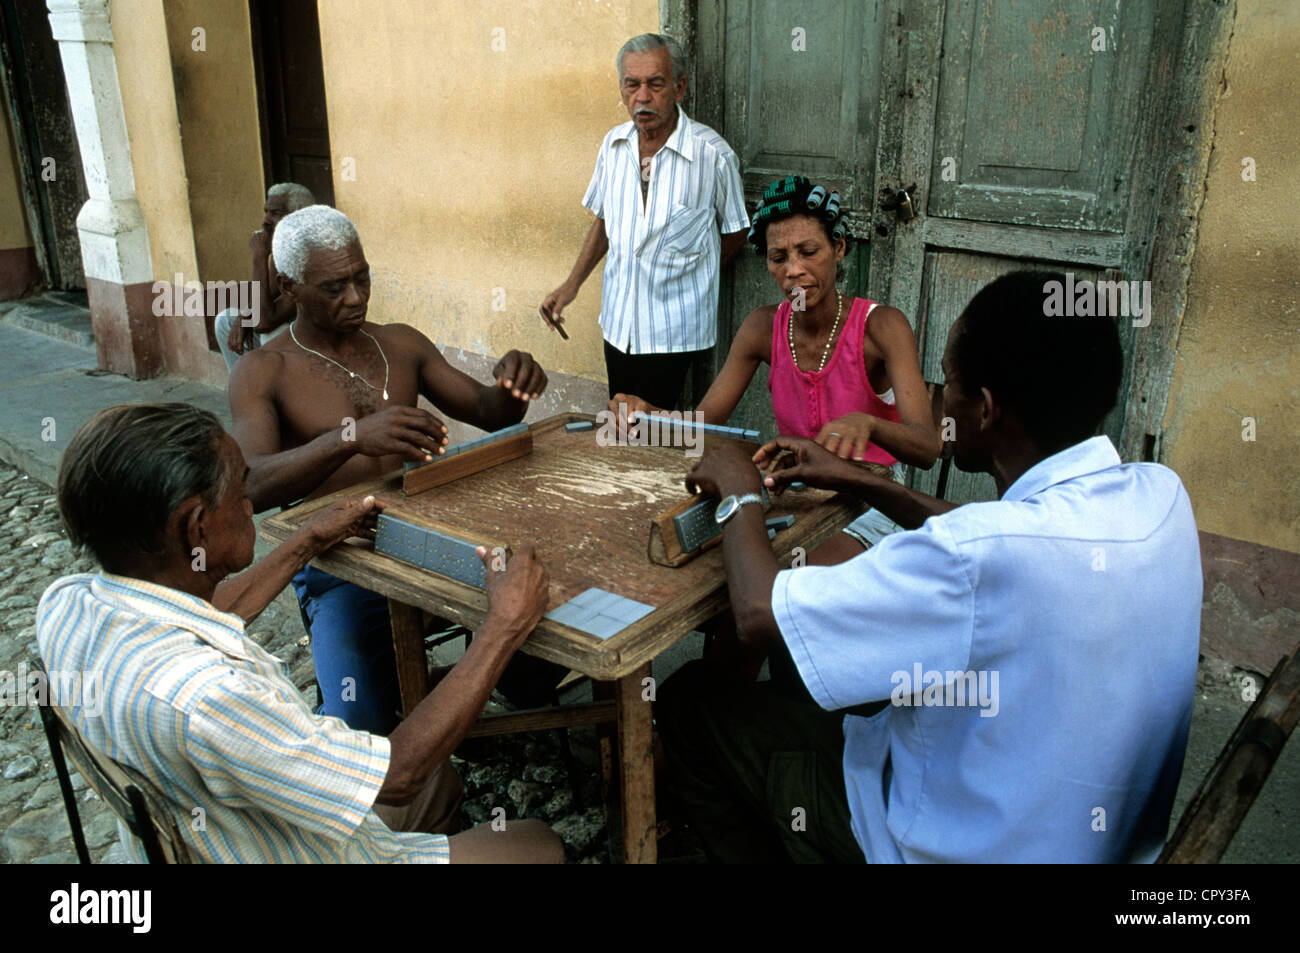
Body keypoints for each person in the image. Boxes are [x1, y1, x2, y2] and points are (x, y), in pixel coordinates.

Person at [656, 270, 1203, 863]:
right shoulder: (1160, 496)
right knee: (836, 685)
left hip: (940, 845)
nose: (941, 402)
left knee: (692, 701)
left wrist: (741, 492)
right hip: (1084, 836)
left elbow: (761, 616)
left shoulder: (975, 557)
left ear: (987, 411)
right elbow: (1001, 539)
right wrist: (855, 477)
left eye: (952, 386)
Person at [37, 403, 563, 863]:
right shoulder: (208, 698)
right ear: (196, 526)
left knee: (440, 782)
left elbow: (211, 612)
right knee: (537, 843)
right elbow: (397, 775)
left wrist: (308, 539)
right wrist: (502, 627)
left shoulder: (67, 603)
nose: (249, 502)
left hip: (225, 831)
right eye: (241, 490)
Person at [229, 204, 559, 734]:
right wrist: (350, 439)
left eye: (362, 278)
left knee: (546, 606)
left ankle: (472, 692)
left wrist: (513, 386)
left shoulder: (399, 343)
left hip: (430, 544)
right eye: (334, 287)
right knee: (357, 725)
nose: (355, 297)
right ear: (289, 288)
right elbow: (251, 484)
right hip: (342, 570)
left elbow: (485, 409)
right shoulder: (264, 370)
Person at [609, 175, 941, 556]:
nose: (794, 270)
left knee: (790, 577)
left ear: (839, 248)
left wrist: (868, 424)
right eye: (779, 257)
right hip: (793, 495)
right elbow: (701, 427)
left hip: (870, 501)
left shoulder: (881, 326)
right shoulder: (762, 328)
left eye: (808, 251)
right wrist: (649, 419)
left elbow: (928, 446)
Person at [538, 33, 750, 409]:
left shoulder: (712, 156)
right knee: (621, 423)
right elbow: (605, 221)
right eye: (632, 84)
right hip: (619, 324)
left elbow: (736, 230)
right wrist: (570, 286)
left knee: (658, 437)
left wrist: (696, 274)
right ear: (622, 89)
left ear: (679, 87)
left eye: (655, 84)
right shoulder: (613, 146)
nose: (642, 96)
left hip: (674, 330)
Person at [215, 182, 316, 372]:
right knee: (226, 320)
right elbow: (265, 296)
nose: (266, 221)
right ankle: (242, 394)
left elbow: (264, 321)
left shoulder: (309, 254)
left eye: (275, 213)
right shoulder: (283, 245)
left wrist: (259, 257)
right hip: (286, 332)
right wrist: (244, 316)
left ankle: (274, 396)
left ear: (297, 218)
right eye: (266, 212)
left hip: (314, 344)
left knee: (271, 334)